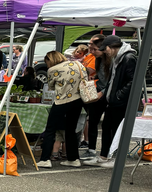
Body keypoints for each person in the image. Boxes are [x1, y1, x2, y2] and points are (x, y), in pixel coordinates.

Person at [84, 35, 137, 167]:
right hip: (112, 99)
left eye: (105, 48)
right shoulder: (118, 58)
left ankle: (115, 158)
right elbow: (113, 79)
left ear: (111, 47)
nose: (104, 51)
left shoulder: (128, 58)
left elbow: (132, 81)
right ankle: (103, 156)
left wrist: (118, 95)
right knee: (107, 127)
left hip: (120, 101)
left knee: (116, 129)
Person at [36, 51, 86, 168]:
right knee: (71, 129)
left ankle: (45, 159)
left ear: (50, 60)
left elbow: (51, 86)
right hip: (78, 100)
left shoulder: (53, 70)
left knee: (50, 129)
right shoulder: (79, 65)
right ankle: (73, 158)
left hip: (62, 100)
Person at [81, 35, 106, 155]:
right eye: (91, 48)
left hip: (103, 93)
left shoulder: (108, 60)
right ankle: (91, 148)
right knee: (92, 121)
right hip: (96, 91)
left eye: (94, 49)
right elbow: (100, 75)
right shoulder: (98, 59)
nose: (92, 51)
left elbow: (112, 79)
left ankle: (107, 152)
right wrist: (95, 77)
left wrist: (103, 92)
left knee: (107, 124)